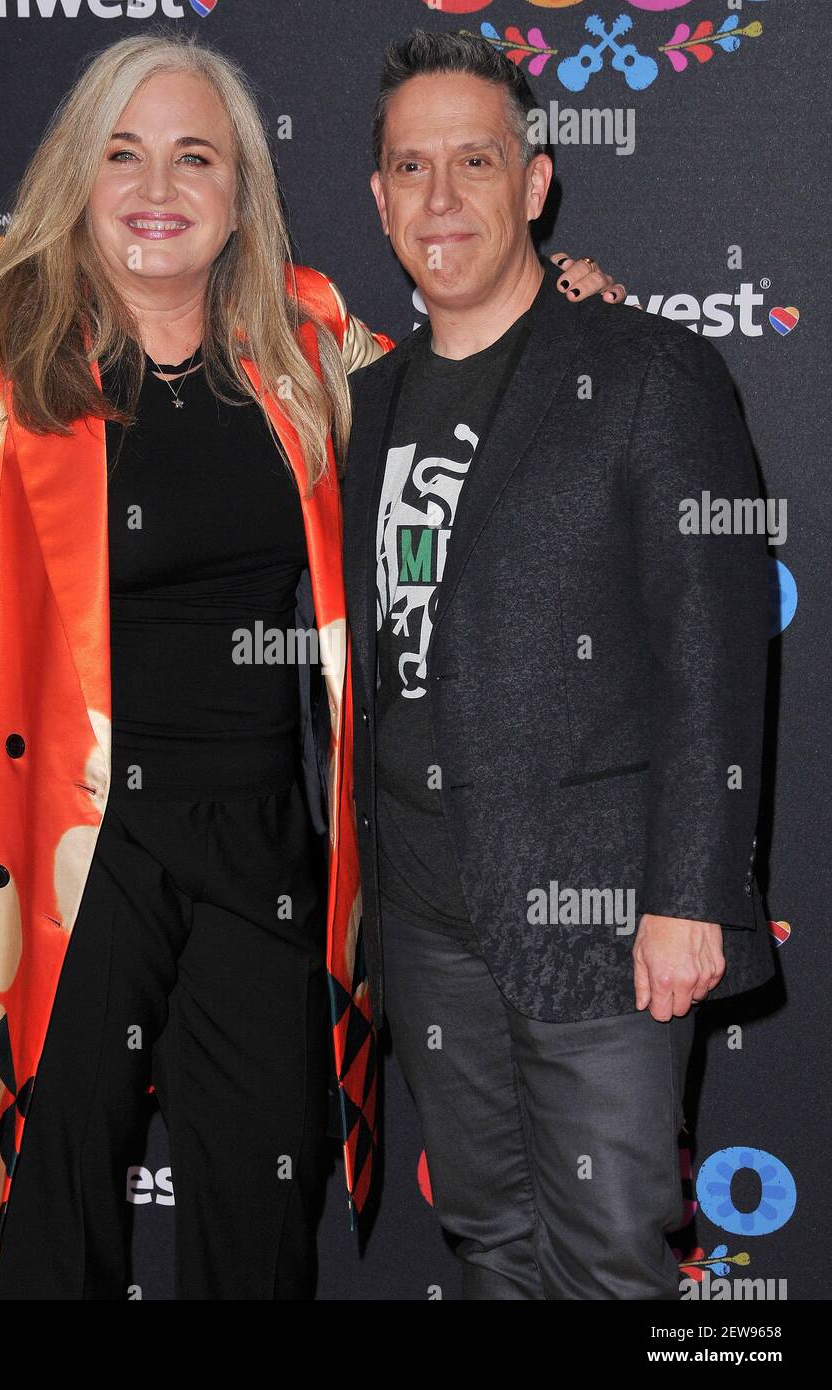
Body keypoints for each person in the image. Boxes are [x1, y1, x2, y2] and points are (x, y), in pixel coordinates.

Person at [0, 31, 622, 1301]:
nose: (157, 188)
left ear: (242, 190)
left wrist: (561, 311)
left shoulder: (304, 343)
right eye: (122, 155)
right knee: (46, 1223)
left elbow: (461, 382)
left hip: (262, 857)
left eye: (195, 158)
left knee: (261, 1227)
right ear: (76, 176)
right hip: (53, 856)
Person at [343, 29, 776, 1300]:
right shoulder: (363, 403)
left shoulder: (647, 372)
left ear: (533, 182)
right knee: (488, 1244)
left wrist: (690, 893)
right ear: (375, 201)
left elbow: (713, 657)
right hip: (423, 919)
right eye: (408, 168)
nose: (439, 199)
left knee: (607, 1262)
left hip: (602, 918)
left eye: (472, 160)